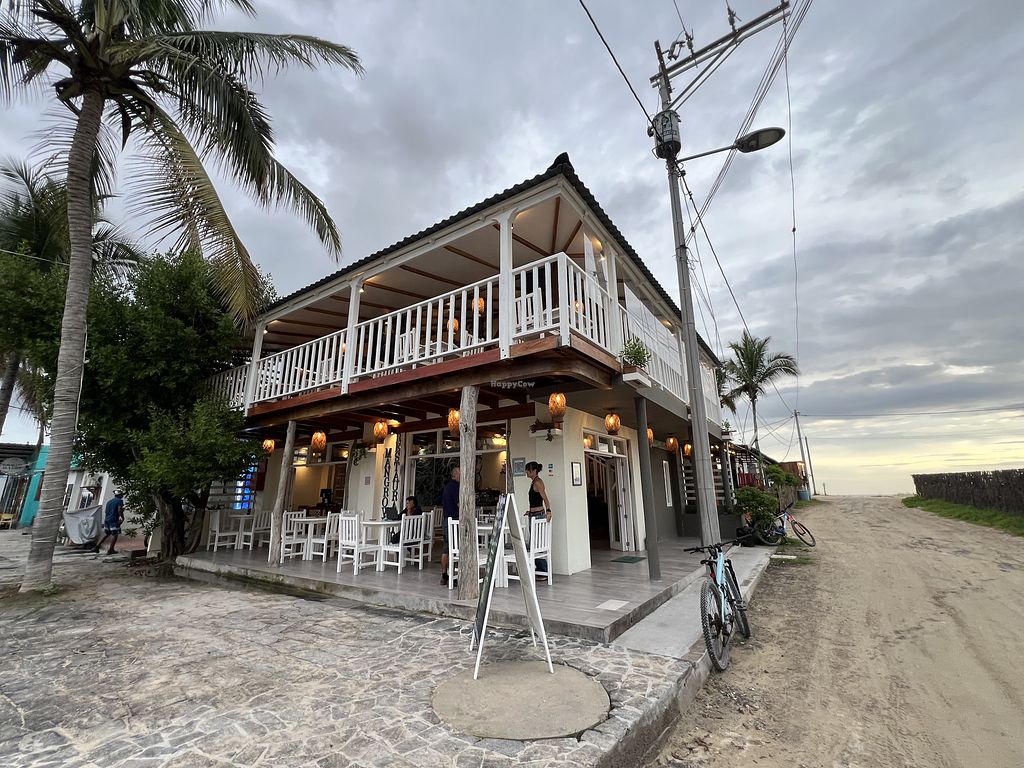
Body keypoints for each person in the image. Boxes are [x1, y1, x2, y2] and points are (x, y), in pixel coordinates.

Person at [524, 462, 552, 581]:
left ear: (534, 471)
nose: (527, 472)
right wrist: (529, 511)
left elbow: (545, 498)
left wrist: (549, 511)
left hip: (538, 515)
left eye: (529, 470)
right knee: (534, 542)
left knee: (537, 543)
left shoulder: (538, 482)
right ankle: (540, 570)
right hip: (533, 514)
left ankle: (543, 570)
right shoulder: (533, 482)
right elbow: (534, 500)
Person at [440, 466, 460, 585]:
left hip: (446, 520)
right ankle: (455, 574)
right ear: (456, 474)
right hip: (454, 521)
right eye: (461, 473)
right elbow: (459, 503)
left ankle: (444, 575)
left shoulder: (447, 487)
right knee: (456, 548)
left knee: (446, 548)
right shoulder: (456, 487)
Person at [93, 490, 125, 555]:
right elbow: (119, 510)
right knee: (115, 535)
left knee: (106, 534)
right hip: (114, 520)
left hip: (107, 520)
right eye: (122, 494)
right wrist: (122, 517)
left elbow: (106, 511)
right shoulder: (119, 501)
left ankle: (97, 547)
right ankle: (111, 549)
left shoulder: (109, 502)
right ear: (120, 495)